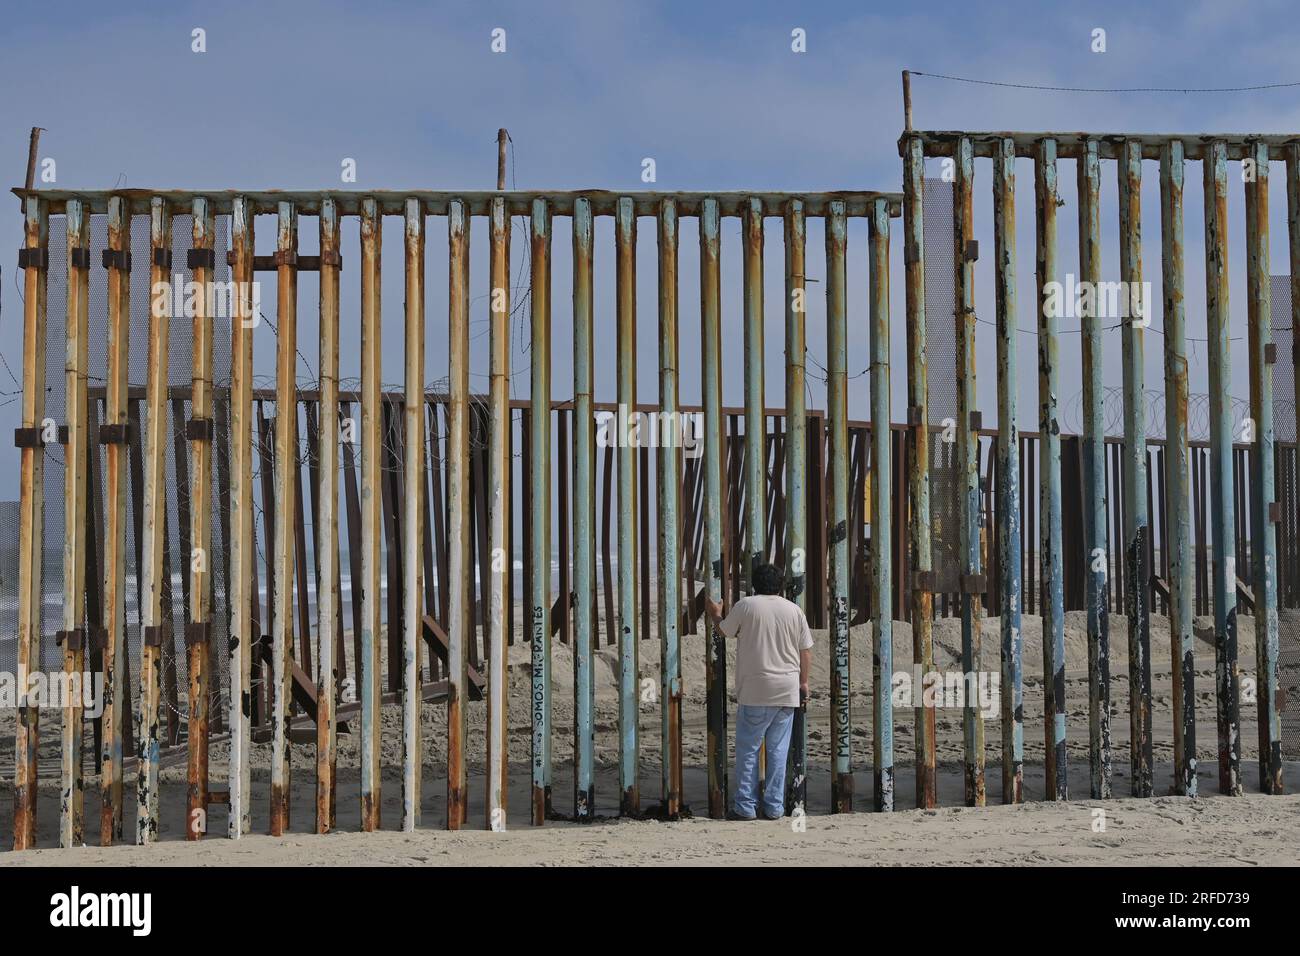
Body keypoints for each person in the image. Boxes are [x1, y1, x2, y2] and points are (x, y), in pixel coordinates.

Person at [705, 563, 813, 821]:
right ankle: (774, 808)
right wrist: (804, 682)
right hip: (786, 689)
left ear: (754, 584)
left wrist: (715, 614)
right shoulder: (794, 610)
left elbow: (724, 632)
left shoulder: (746, 605)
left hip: (755, 689)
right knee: (777, 751)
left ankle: (745, 807)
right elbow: (805, 650)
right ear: (780, 585)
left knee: (749, 749)